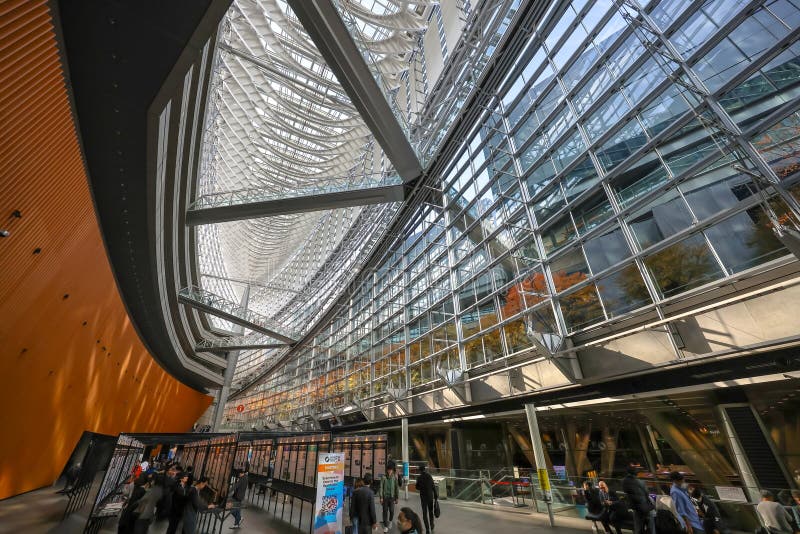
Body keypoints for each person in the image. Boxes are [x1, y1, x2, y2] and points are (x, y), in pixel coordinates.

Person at [622, 465, 654, 534]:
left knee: (638, 528)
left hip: (637, 509)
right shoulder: (641, 482)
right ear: (636, 473)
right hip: (646, 507)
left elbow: (626, 492)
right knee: (651, 527)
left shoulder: (624, 481)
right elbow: (647, 493)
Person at [415, 465, 437, 534]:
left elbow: (417, 487)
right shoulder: (429, 476)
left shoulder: (419, 477)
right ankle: (432, 526)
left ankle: (427, 529)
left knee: (424, 514)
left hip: (423, 498)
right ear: (425, 469)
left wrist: (421, 488)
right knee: (430, 512)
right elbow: (433, 486)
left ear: (420, 470)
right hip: (430, 497)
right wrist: (435, 495)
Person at [379, 465, 399, 533]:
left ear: (392, 470)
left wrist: (397, 497)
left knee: (392, 511)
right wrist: (381, 497)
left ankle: (390, 521)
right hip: (385, 497)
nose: (390, 471)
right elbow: (381, 487)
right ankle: (385, 526)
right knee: (385, 511)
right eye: (388, 470)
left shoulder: (394, 477)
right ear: (387, 470)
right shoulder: (383, 477)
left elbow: (397, 488)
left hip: (392, 497)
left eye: (391, 470)